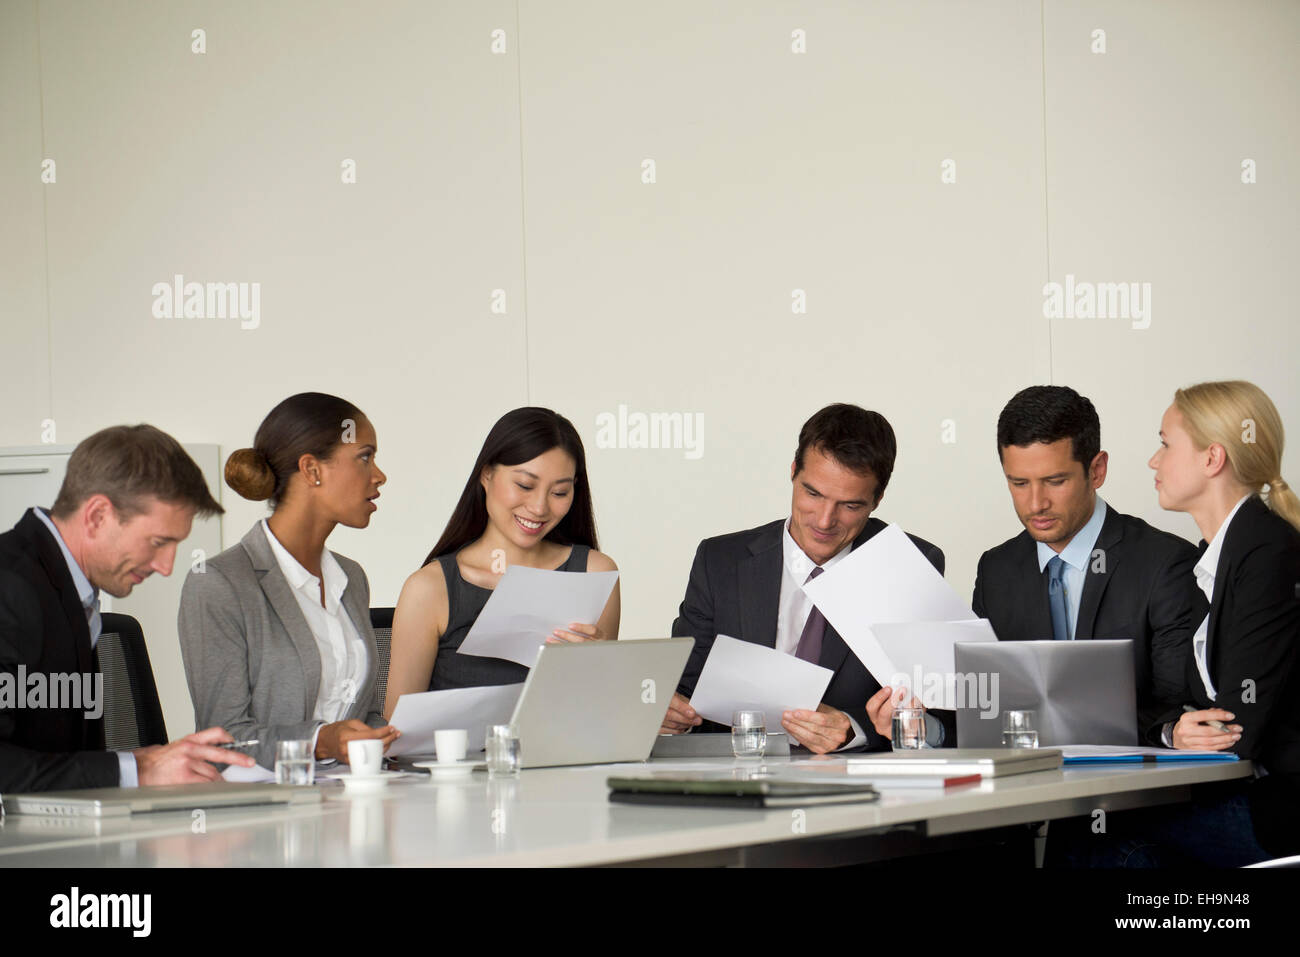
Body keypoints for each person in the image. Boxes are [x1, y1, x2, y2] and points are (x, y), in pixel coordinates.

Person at [1059, 380, 1300, 866]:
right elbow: (1179, 702)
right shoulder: (1211, 560)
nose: (1153, 460)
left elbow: (1237, 728)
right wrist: (1174, 730)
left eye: (1166, 443)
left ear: (1212, 459)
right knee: (1116, 845)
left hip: (1278, 806)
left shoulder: (1269, 552)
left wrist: (1185, 726)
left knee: (1091, 834)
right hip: (1241, 793)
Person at [664, 403, 948, 753]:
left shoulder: (909, 565)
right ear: (793, 471)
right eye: (813, 493)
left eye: (850, 505)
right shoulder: (720, 561)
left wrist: (853, 729)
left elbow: (932, 713)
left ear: (877, 499)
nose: (825, 521)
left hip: (849, 784)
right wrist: (667, 714)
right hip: (736, 777)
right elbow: (685, 689)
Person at [0, 425, 255, 791]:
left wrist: (140, 762)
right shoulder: (10, 586)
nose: (166, 566)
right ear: (98, 516)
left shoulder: (69, 589)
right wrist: (136, 770)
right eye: (157, 542)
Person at [178, 394, 398, 772]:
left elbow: (361, 714)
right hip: (264, 811)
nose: (379, 475)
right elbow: (225, 736)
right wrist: (320, 742)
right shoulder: (219, 583)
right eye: (365, 457)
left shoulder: (352, 579)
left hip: (347, 797)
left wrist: (394, 734)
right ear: (312, 469)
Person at [972, 386, 1201, 736]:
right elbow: (983, 705)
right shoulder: (995, 570)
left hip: (1135, 784)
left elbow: (1176, 708)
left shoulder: (1165, 564)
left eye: (1055, 481)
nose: (1035, 504)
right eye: (1019, 483)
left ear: (1097, 470)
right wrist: (928, 724)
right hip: (1028, 785)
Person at [384, 408, 620, 712]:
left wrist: (600, 670)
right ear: (486, 475)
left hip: (559, 756)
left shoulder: (593, 573)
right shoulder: (430, 588)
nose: (538, 507)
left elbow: (600, 714)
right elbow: (396, 728)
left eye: (559, 492)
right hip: (460, 757)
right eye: (524, 485)